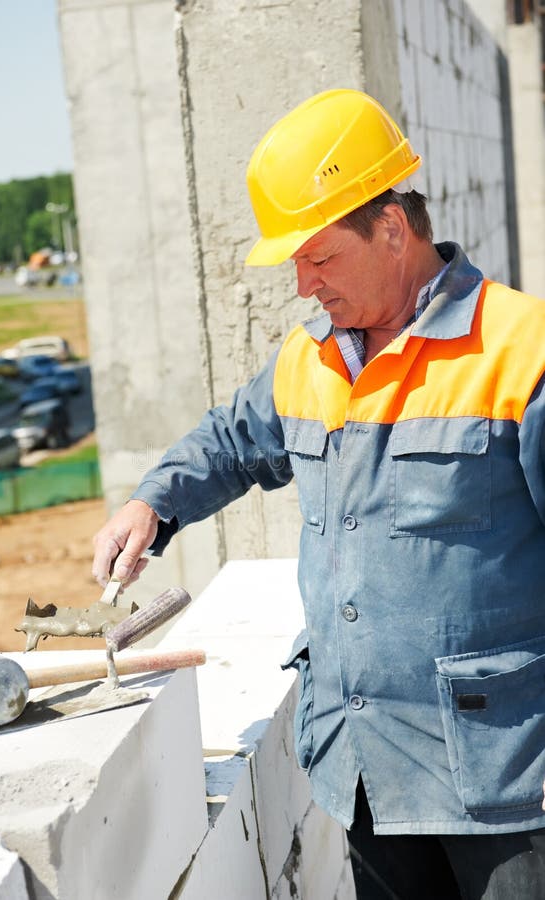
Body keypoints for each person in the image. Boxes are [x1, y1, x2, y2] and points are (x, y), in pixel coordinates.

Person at [92, 89, 545, 898]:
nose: (302, 283)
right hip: (363, 766)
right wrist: (151, 503)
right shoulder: (311, 359)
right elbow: (231, 439)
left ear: (393, 229)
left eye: (319, 256)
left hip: (502, 783)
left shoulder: (519, 351)